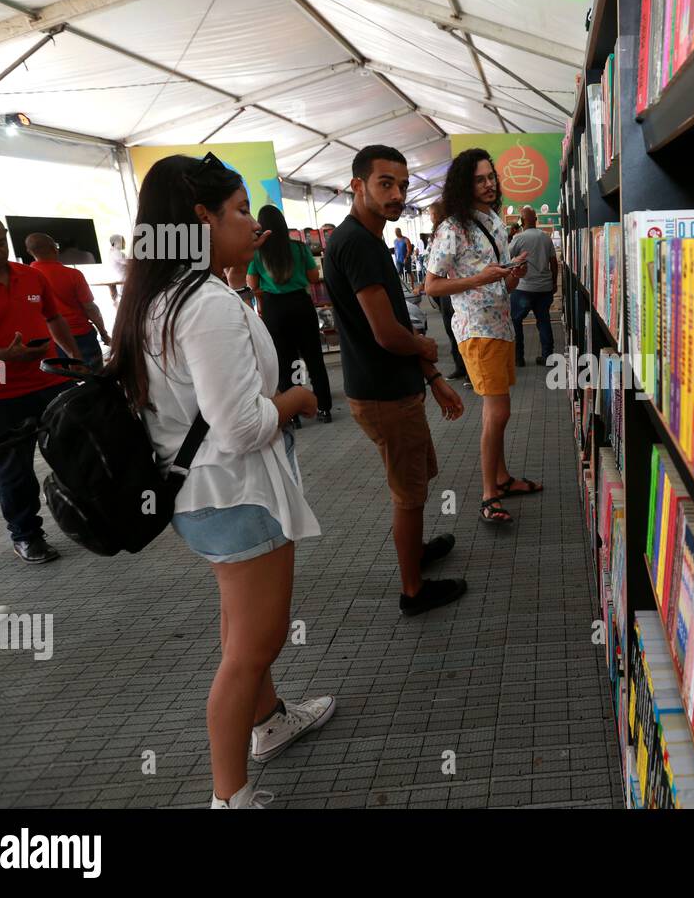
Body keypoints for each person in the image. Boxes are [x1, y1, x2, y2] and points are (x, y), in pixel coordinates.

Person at [106, 153, 331, 809]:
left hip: (202, 496)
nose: (250, 224)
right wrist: (296, 401)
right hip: (235, 493)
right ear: (200, 218)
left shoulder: (160, 297)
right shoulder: (204, 304)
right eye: (238, 211)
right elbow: (239, 426)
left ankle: (269, 724)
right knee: (253, 644)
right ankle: (228, 795)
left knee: (241, 627)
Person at [322, 144, 467, 617]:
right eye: (386, 183)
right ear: (357, 185)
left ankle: (416, 552)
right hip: (383, 391)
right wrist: (426, 350)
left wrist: (432, 376)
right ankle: (413, 591)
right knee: (408, 494)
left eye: (402, 185)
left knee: (416, 483)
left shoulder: (367, 238)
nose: (397, 194)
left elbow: (387, 328)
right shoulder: (358, 244)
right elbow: (387, 333)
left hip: (391, 385)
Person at [0, 208, 82, 563]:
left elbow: (53, 317)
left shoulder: (30, 276)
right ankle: (26, 536)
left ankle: (86, 519)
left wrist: (72, 357)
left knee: (74, 456)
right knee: (15, 472)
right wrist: (4, 355)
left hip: (49, 383)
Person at [425, 148, 543, 526]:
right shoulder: (451, 228)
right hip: (477, 328)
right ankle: (488, 495)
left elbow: (499, 281)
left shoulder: (492, 220)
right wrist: (481, 279)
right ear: (464, 183)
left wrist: (511, 275)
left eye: (491, 176)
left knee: (500, 411)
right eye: (480, 179)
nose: (489, 183)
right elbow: (431, 286)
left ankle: (502, 479)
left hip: (500, 323)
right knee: (498, 412)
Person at [248, 206, 334, 423]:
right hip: (300, 305)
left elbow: (251, 283)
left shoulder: (257, 252)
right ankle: (323, 407)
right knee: (313, 356)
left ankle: (293, 413)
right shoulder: (298, 247)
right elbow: (314, 276)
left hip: (274, 309)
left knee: (285, 360)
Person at [25, 233, 111, 370]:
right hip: (81, 336)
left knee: (65, 382)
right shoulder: (73, 275)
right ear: (55, 249)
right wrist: (104, 333)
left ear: (29, 252)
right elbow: (90, 308)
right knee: (94, 380)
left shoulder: (26, 277)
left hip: (49, 340)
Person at [508, 206, 558, 367]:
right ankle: (548, 356)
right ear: (536, 220)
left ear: (522, 222)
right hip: (544, 288)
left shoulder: (518, 238)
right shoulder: (546, 237)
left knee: (516, 321)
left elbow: (507, 259)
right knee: (543, 321)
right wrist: (554, 283)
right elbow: (554, 263)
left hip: (523, 288)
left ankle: (518, 358)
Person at [429, 206, 466, 381]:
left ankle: (468, 370)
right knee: (451, 329)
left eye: (431, 214)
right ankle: (460, 366)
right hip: (444, 289)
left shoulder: (449, 231)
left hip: (452, 287)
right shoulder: (439, 232)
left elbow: (445, 264)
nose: (430, 217)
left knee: (460, 328)